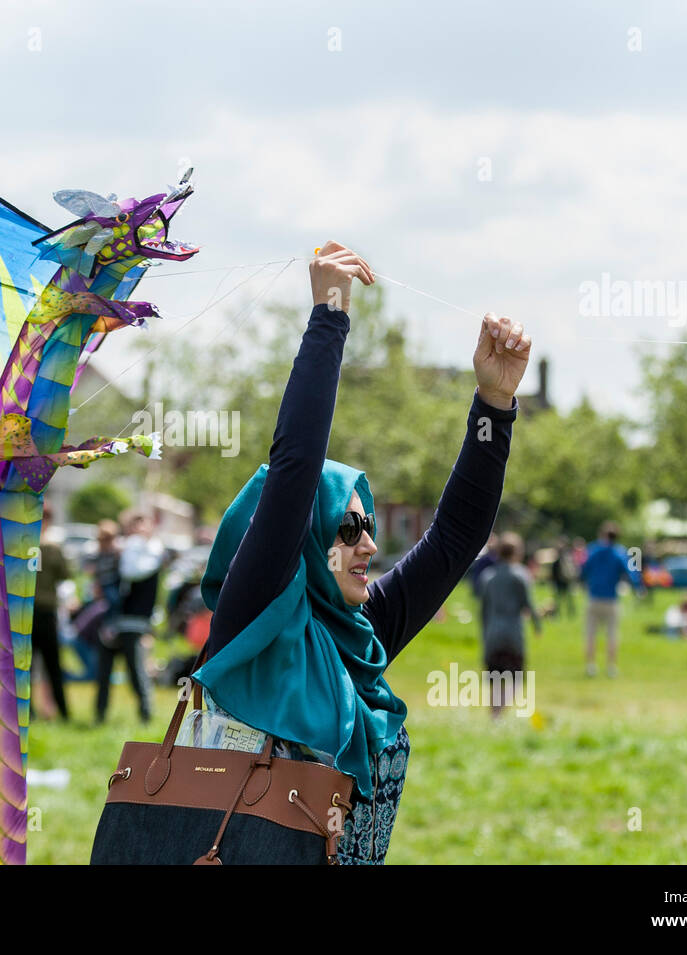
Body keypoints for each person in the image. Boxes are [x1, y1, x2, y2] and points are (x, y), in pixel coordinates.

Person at [179, 242, 530, 865]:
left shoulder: (360, 640)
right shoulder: (253, 624)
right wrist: (330, 316)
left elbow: (455, 538)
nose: (369, 543)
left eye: (367, 527)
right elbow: (294, 471)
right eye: (347, 529)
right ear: (307, 542)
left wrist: (494, 406)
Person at [94, 512, 163, 724]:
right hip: (112, 620)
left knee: (136, 669)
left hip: (134, 621)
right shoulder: (121, 553)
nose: (137, 530)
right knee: (104, 670)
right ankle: (100, 715)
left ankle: (145, 713)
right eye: (134, 525)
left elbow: (137, 573)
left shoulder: (151, 553)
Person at [477, 532, 541, 719]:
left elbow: (483, 610)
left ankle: (494, 715)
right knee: (515, 678)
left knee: (496, 679)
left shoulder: (488, 577)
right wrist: (537, 624)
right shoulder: (521, 575)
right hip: (513, 634)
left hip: (492, 634)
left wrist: (484, 633)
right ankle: (500, 715)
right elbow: (528, 604)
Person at [578, 521, 645, 677]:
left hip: (594, 598)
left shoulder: (593, 550)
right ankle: (611, 667)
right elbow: (630, 573)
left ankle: (591, 666)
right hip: (611, 600)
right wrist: (638, 586)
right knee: (612, 635)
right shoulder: (619, 552)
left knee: (590, 634)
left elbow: (583, 569)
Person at [33, 505, 73, 721]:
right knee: (53, 666)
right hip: (46, 611)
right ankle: (64, 712)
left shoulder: (21, 546)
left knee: (26, 667)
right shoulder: (53, 549)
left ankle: (27, 713)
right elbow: (65, 576)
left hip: (26, 612)